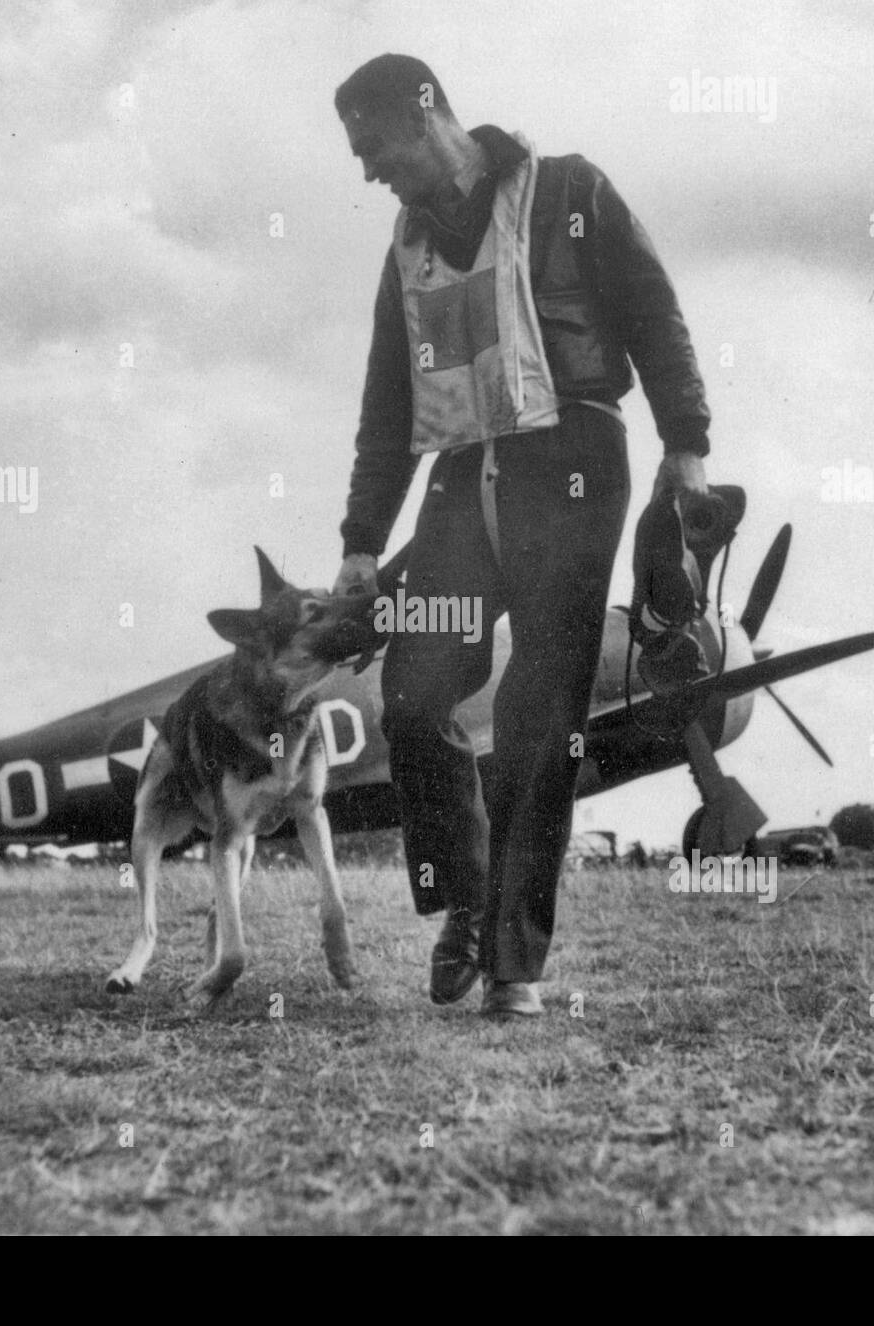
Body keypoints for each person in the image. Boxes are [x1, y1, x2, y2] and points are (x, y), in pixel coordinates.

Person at [331, 54, 711, 1016]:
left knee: (544, 721)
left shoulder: (571, 189)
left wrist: (690, 450)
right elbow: (388, 406)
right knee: (414, 695)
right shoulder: (405, 250)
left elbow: (655, 315)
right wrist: (361, 542)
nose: (368, 171)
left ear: (426, 115)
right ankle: (464, 900)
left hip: (573, 463)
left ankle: (513, 971)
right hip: (464, 480)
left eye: (373, 148)